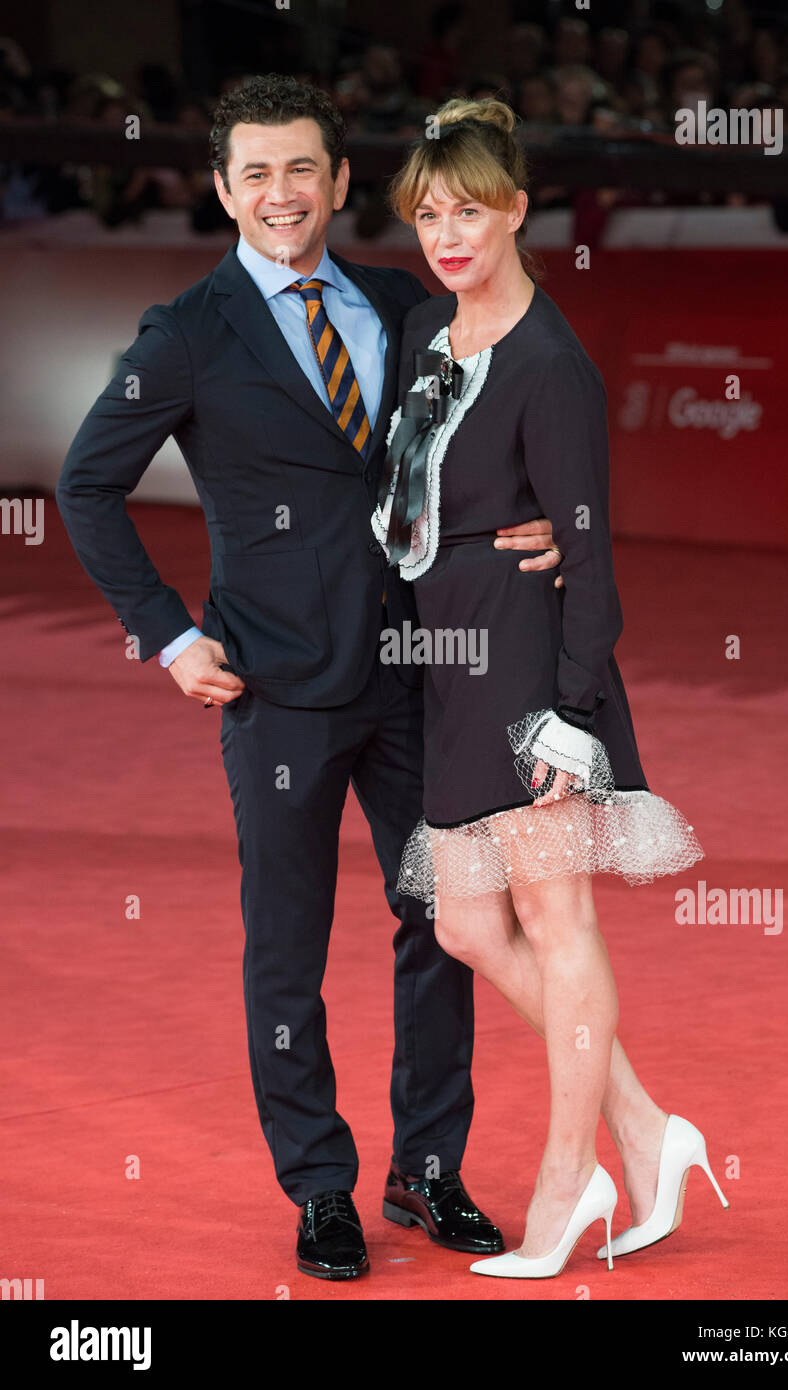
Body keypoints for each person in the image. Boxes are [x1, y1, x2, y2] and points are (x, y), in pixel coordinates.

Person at [55, 74, 564, 1282]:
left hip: (419, 678)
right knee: (286, 945)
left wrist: (548, 519)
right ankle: (321, 1186)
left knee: (446, 923)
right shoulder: (186, 332)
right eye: (256, 173)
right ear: (223, 189)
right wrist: (168, 637)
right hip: (275, 689)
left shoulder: (402, 302)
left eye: (304, 171)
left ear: (339, 183)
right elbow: (84, 485)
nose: (282, 194)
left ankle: (428, 1170)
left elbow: (505, 411)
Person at [373, 96, 729, 1278]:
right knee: (469, 920)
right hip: (447, 663)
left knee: (557, 917)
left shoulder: (552, 362)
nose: (448, 233)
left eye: (469, 210)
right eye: (429, 214)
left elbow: (595, 550)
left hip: (529, 666)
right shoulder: (430, 325)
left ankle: (571, 1181)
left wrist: (574, 711)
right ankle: (646, 1127)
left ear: (519, 209)